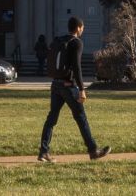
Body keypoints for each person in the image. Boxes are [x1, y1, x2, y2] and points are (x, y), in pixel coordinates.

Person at [37, 16, 111, 163]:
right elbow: (77, 67)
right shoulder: (76, 43)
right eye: (82, 28)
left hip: (56, 85)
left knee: (51, 119)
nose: (83, 30)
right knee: (81, 117)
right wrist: (82, 89)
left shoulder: (59, 40)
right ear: (78, 28)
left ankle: (44, 152)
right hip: (68, 86)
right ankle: (93, 150)